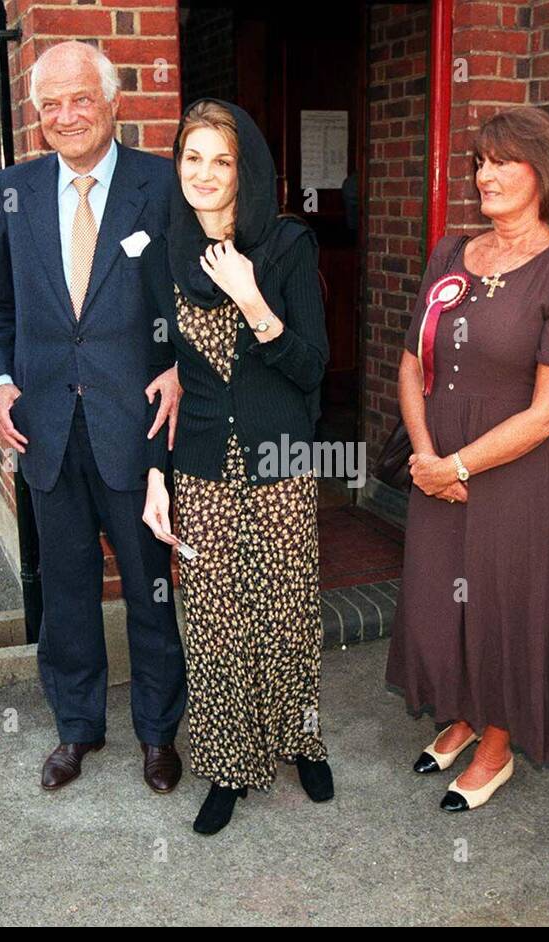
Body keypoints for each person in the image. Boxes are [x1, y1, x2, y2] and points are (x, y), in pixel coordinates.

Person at [0, 42, 188, 795]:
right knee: (65, 591)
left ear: (114, 101)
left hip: (136, 433)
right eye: (51, 106)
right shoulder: (14, 189)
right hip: (46, 436)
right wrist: (1, 383)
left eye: (81, 100)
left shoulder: (162, 185)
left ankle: (159, 735)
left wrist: (177, 363)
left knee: (149, 590)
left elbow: (190, 297)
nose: (66, 117)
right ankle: (76, 727)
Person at [385, 106, 549, 811]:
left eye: (504, 160)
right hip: (436, 464)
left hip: (516, 474)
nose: (486, 174)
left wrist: (461, 466)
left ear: (545, 171)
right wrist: (425, 456)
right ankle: (465, 714)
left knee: (504, 607)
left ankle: (499, 742)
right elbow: (413, 359)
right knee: (441, 599)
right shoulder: (451, 253)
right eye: (479, 160)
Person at [140, 99, 334, 835]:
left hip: (280, 458)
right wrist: (157, 474)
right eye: (192, 157)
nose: (204, 173)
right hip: (199, 468)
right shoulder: (167, 253)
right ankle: (228, 764)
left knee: (287, 609)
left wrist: (254, 298)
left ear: (245, 169)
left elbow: (311, 368)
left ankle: (300, 739)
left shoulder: (286, 246)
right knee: (217, 622)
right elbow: (160, 375)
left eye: (221, 160)